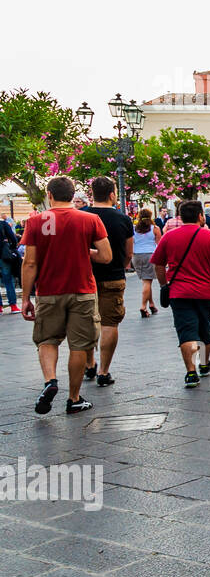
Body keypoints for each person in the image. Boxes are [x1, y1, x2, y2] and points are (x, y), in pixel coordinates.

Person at [19, 176, 112, 415]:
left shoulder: (35, 221)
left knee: (47, 340)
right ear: (73, 196)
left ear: (49, 195)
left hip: (49, 292)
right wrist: (84, 250)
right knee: (79, 346)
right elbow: (105, 256)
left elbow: (29, 263)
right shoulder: (91, 219)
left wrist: (26, 297)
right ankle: (74, 398)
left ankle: (50, 381)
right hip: (82, 290)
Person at [152, 200, 210, 389]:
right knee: (205, 329)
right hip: (207, 292)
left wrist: (164, 285)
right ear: (200, 216)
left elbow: (158, 264)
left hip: (179, 293)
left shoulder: (169, 237)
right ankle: (204, 363)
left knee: (186, 331)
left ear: (180, 216)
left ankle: (190, 372)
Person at [82, 176, 135, 387]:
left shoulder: (81, 216)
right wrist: (121, 265)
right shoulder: (123, 219)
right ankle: (104, 371)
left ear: (91, 194)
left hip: (84, 277)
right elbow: (128, 254)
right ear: (112, 194)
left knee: (85, 322)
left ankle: (89, 364)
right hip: (112, 277)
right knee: (109, 324)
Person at [132, 207, 162, 316]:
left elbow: (131, 242)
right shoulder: (155, 228)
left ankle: (152, 304)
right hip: (150, 254)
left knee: (145, 281)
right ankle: (143, 306)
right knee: (147, 282)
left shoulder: (134, 228)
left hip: (136, 256)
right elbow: (159, 245)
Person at [0, 215, 20, 313]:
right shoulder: (3, 224)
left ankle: (0, 307)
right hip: (4, 255)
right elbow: (13, 239)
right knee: (8, 280)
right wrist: (10, 247)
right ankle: (13, 305)